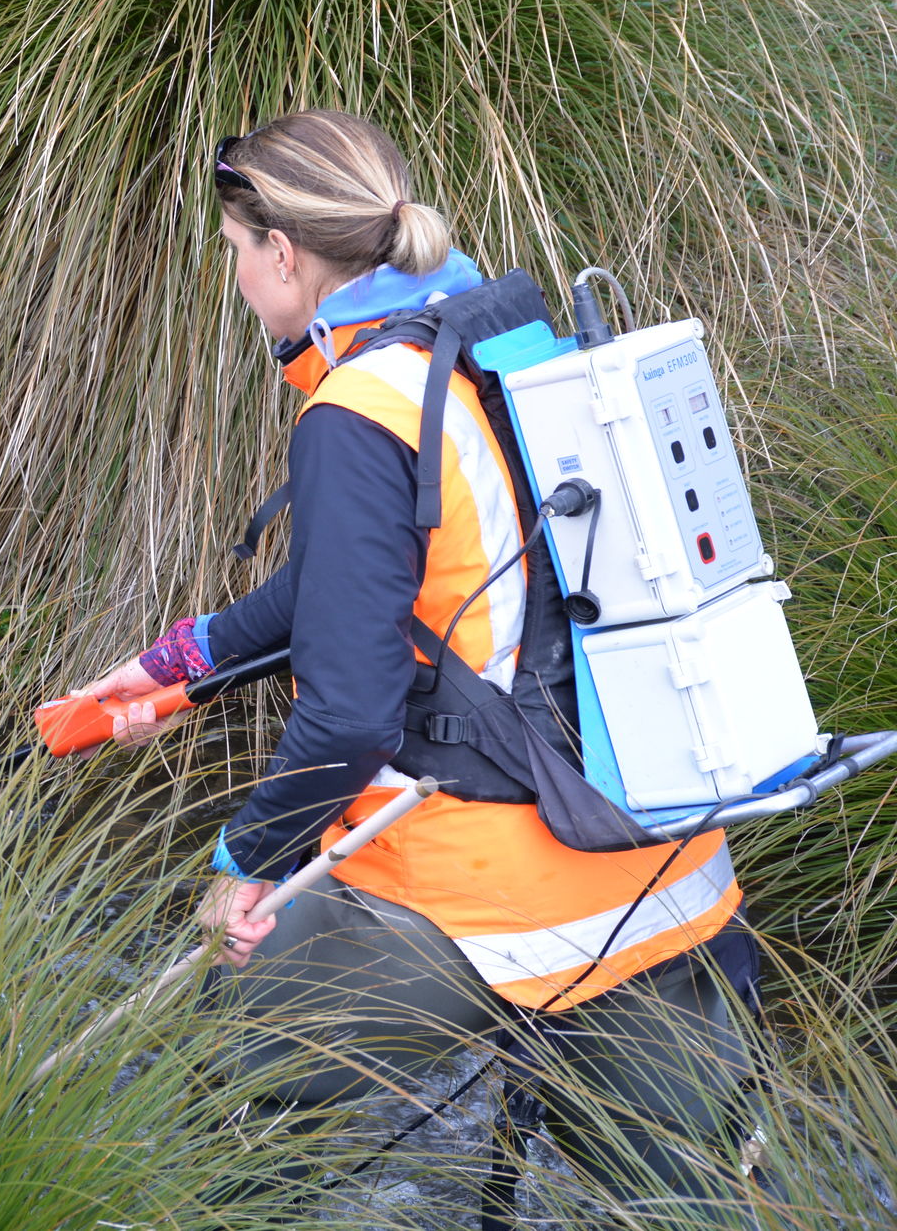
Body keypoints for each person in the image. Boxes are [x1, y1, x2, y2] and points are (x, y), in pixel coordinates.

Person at [66, 111, 760, 1220]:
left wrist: (242, 864)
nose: (237, 277)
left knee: (215, 1090)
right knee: (687, 1199)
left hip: (494, 889)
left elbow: (349, 716)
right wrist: (181, 660)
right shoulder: (499, 342)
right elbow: (357, 580)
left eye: (236, 251)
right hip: (671, 864)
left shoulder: (358, 413)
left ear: (282, 254)